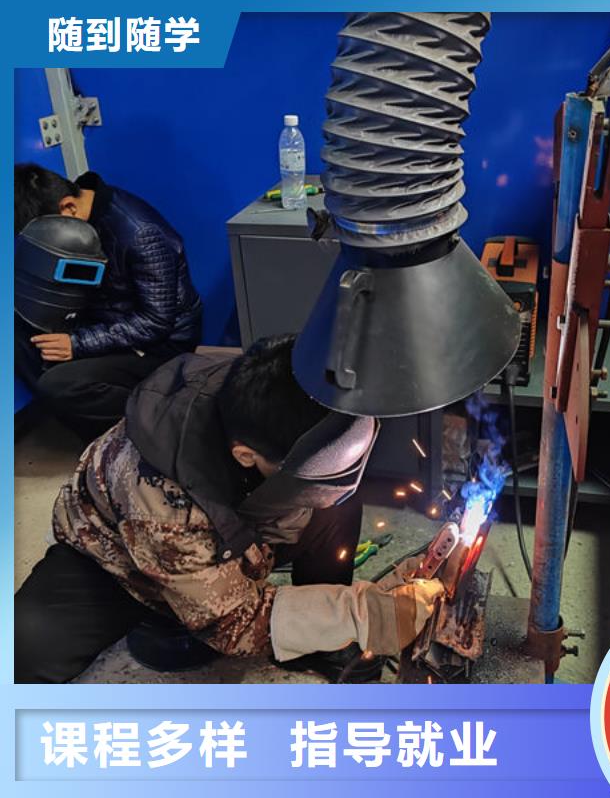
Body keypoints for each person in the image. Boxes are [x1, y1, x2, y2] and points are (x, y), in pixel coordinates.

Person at [14, 335, 443, 684]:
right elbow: (234, 624)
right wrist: (360, 615)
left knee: (332, 508)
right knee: (25, 647)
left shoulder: (270, 386)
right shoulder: (162, 508)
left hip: (231, 517)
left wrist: (329, 619)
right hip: (118, 558)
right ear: (245, 455)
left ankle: (314, 646)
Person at [14, 164, 203, 440]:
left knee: (60, 384)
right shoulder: (77, 216)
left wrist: (76, 344)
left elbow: (156, 321)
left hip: (158, 345)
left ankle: (150, 420)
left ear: (68, 208)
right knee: (16, 330)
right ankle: (89, 421)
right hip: (103, 324)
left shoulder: (139, 232)